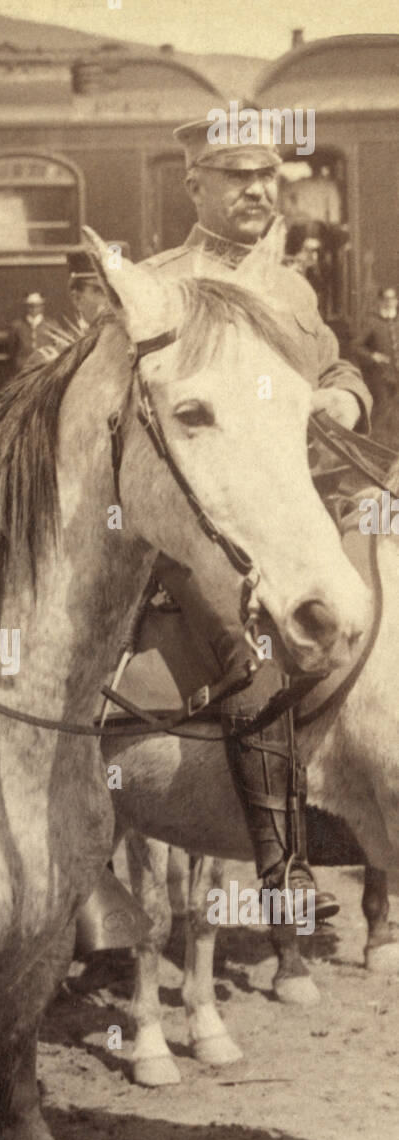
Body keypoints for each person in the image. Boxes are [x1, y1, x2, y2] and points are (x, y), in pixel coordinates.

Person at [143, 116, 370, 925]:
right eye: (235, 175)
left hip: (301, 503)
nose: (256, 191)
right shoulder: (161, 284)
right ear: (193, 184)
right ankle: (283, 870)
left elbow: (333, 362)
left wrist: (344, 394)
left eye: (268, 176)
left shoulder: (292, 283)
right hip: (211, 523)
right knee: (258, 652)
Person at [353, 287, 399, 429]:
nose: (389, 302)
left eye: (392, 299)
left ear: (397, 301)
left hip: (396, 374)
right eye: (385, 299)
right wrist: (373, 356)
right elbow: (355, 347)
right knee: (382, 410)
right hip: (379, 375)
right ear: (379, 301)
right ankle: (372, 443)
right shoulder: (371, 321)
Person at [5, 292, 59, 375]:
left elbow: (57, 346)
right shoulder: (17, 326)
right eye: (31, 306)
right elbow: (12, 348)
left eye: (37, 306)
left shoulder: (51, 325)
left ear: (42, 307)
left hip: (45, 366)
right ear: (27, 307)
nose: (34, 309)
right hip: (24, 367)